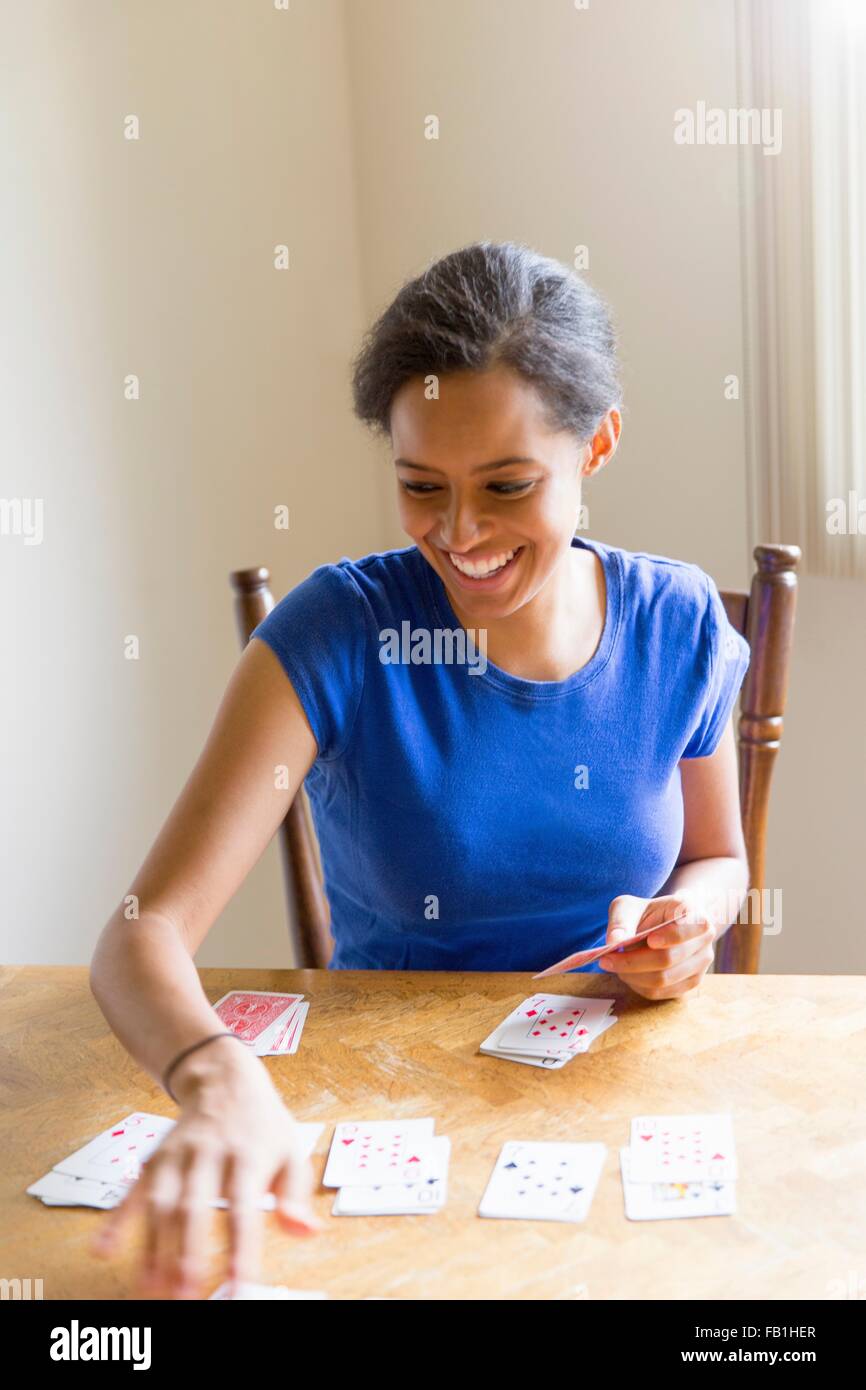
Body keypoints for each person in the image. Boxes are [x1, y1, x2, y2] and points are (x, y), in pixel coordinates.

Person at [89, 241, 750, 1298]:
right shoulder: (335, 633)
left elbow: (716, 856)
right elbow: (141, 933)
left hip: (623, 1099)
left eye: (505, 485)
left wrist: (690, 926)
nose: (458, 533)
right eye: (418, 486)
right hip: (379, 1113)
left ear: (600, 443)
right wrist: (215, 1076)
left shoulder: (676, 624)